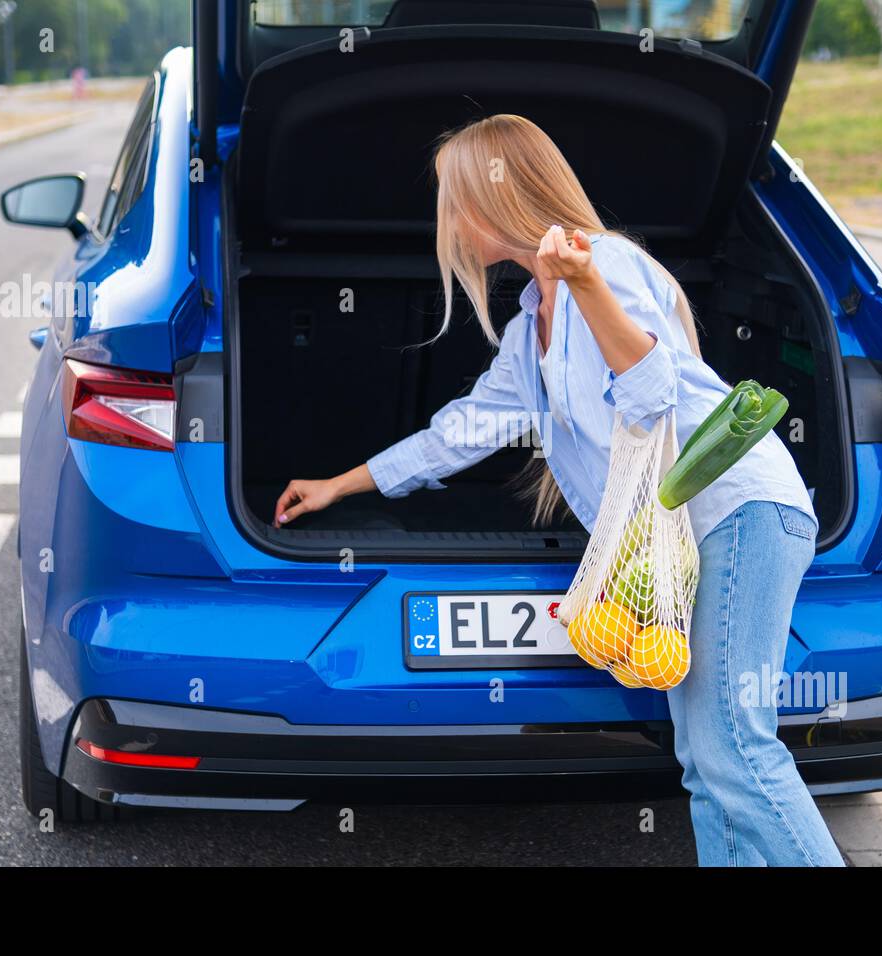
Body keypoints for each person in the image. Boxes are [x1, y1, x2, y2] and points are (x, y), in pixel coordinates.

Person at [273, 114, 844, 867]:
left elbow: (651, 390)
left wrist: (584, 282)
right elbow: (461, 433)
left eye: (451, 198)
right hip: (685, 540)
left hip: (738, 510)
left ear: (489, 198)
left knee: (737, 747)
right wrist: (337, 486)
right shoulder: (527, 328)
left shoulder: (606, 263)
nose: (445, 219)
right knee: (706, 765)